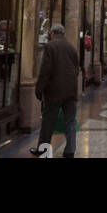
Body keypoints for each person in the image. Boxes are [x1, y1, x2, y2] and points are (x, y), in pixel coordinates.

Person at [32, 23, 80, 158]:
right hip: (70, 91)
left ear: (52, 33)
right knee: (70, 121)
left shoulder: (50, 46)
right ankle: (70, 150)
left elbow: (45, 71)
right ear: (63, 34)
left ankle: (43, 148)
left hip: (54, 92)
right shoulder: (71, 47)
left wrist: (39, 89)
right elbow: (76, 69)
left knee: (48, 121)